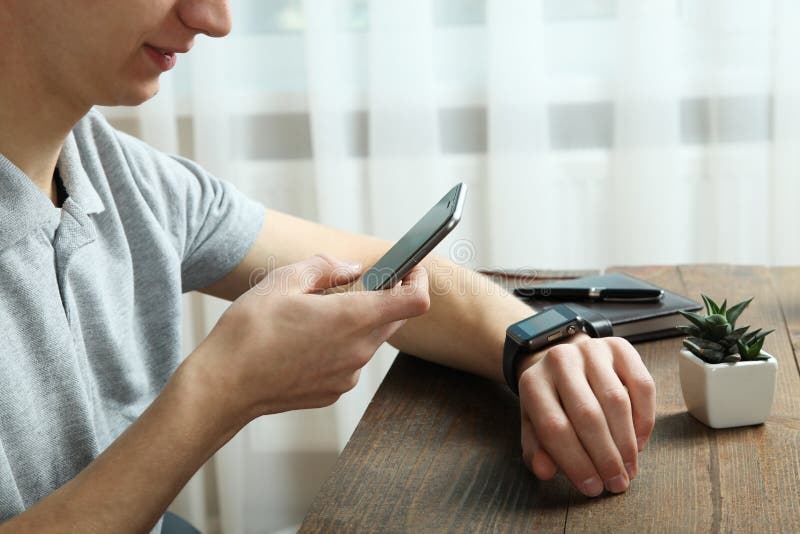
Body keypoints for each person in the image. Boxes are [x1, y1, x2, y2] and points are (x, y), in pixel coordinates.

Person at [0, 1, 656, 532]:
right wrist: (222, 393)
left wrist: (539, 345)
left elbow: (380, 266)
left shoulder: (125, 178)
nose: (213, 19)